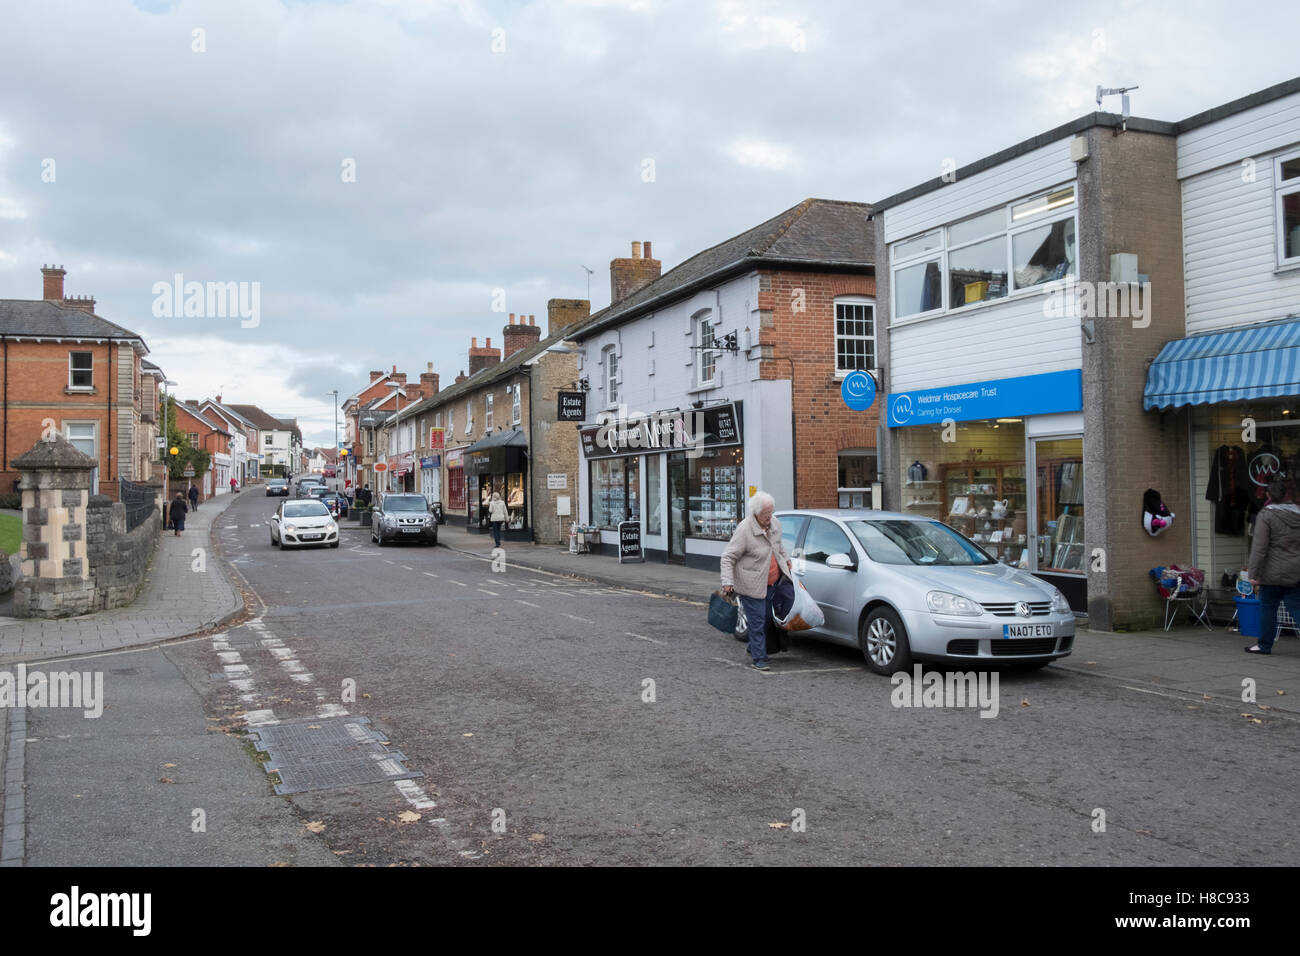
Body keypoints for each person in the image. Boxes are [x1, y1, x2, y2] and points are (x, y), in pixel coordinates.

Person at [720, 491, 794, 672]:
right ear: (756, 513)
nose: (770, 517)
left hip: (773, 582)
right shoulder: (745, 529)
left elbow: (778, 547)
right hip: (751, 583)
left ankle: (754, 647)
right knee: (758, 620)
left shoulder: (775, 524)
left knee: (769, 618)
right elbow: (728, 557)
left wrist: (786, 560)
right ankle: (759, 658)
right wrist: (727, 582)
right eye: (766, 514)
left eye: (771, 512)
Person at [1246, 477, 1300, 654]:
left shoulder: (1266, 515)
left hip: (1272, 572)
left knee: (1268, 608)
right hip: (1296, 570)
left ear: (1268, 494)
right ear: (1286, 495)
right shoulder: (1298, 513)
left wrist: (1253, 574)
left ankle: (1264, 645)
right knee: (1297, 608)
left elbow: (1259, 547)